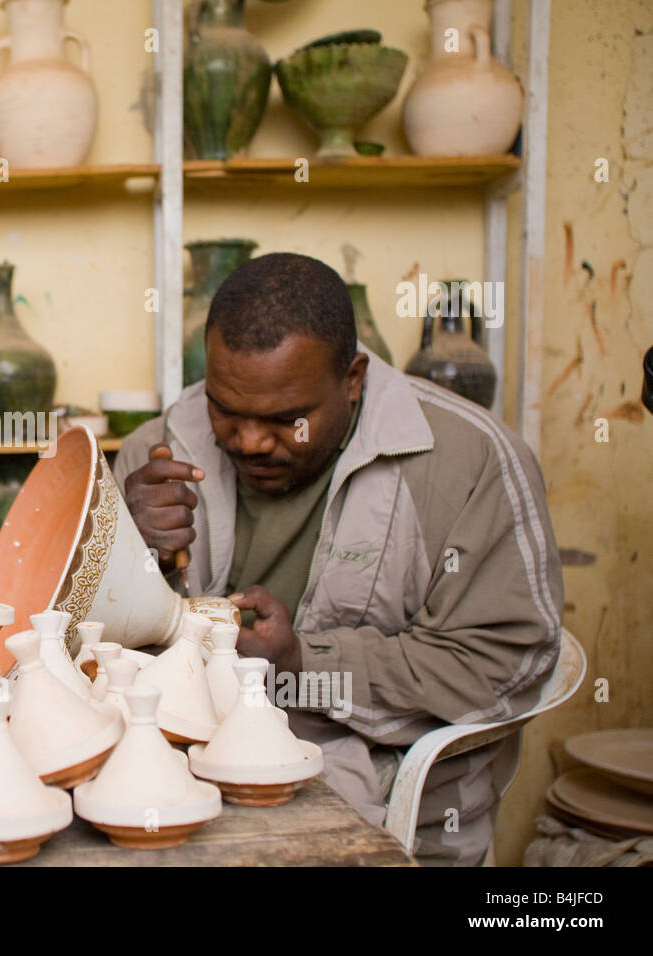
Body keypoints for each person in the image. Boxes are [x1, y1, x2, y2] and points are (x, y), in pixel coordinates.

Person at [113, 253, 563, 865]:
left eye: (283, 420)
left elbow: (506, 661)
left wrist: (306, 663)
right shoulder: (157, 449)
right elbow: (86, 646)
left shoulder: (471, 462)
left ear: (352, 379)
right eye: (226, 409)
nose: (249, 441)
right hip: (179, 781)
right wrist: (127, 553)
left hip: (384, 793)